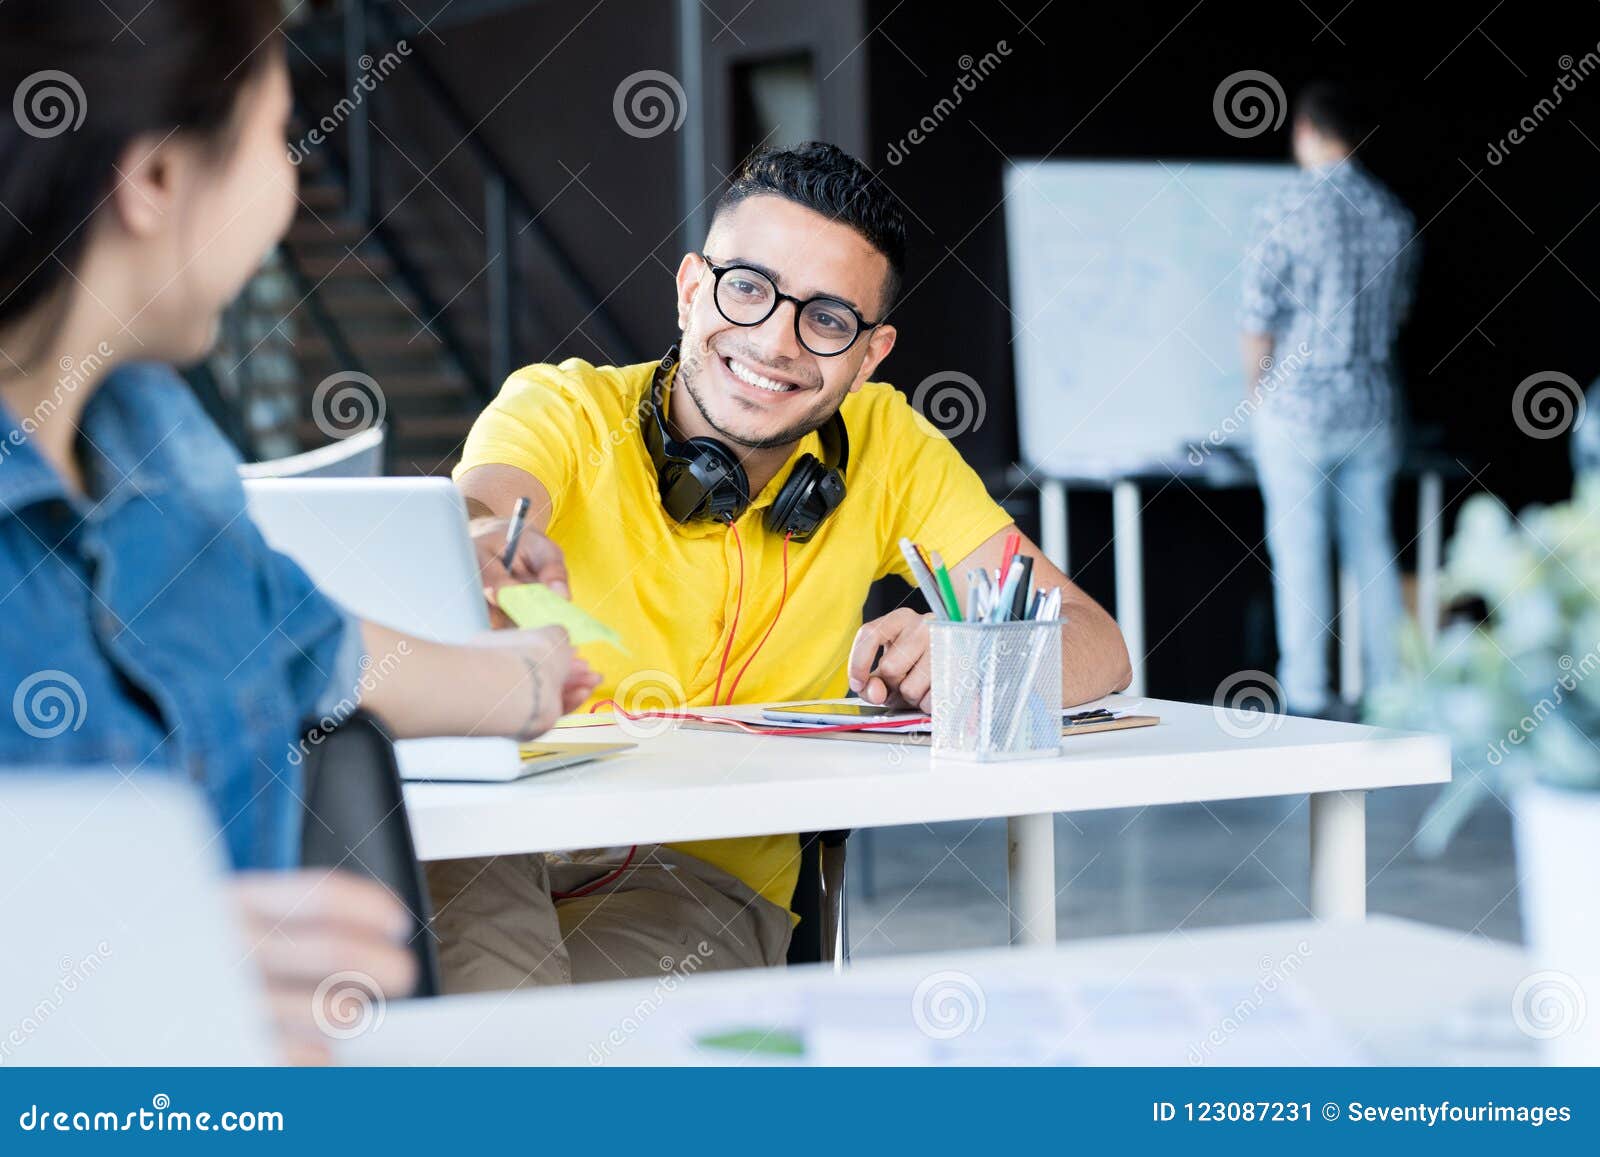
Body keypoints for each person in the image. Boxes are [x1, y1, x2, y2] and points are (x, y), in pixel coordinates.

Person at [0, 0, 599, 1062]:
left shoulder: (158, 448)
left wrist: (527, 674)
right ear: (156, 179)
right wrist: (93, 977)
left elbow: (305, 645)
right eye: (279, 136)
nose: (287, 188)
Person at [433, 141, 1132, 991]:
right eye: (749, 288)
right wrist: (481, 547)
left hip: (693, 883)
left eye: (829, 318)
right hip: (500, 840)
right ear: (692, 290)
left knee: (546, 1045)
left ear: (871, 354)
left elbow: (1098, 643)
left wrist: (968, 656)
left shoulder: (891, 445)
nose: (775, 341)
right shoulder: (564, 408)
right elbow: (486, 507)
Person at [1241, 82, 1418, 717]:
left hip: (1295, 410)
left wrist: (1254, 396)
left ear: (1307, 131)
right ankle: (1395, 693)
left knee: (1300, 549)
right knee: (1373, 548)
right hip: (1370, 408)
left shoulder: (1283, 209)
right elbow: (1395, 320)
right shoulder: (1393, 213)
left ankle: (1309, 695)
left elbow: (1257, 321)